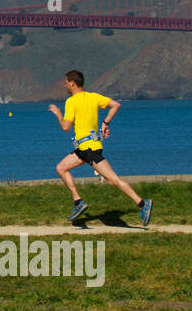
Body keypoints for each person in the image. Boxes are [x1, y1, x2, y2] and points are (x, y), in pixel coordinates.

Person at [47, 69, 153, 226]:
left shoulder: (71, 102)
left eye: (66, 82)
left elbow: (65, 127)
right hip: (86, 148)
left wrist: (57, 114)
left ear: (72, 83)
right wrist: (106, 123)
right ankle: (78, 201)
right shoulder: (94, 97)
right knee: (61, 168)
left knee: (114, 179)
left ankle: (142, 204)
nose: (65, 85)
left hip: (89, 150)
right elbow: (115, 105)